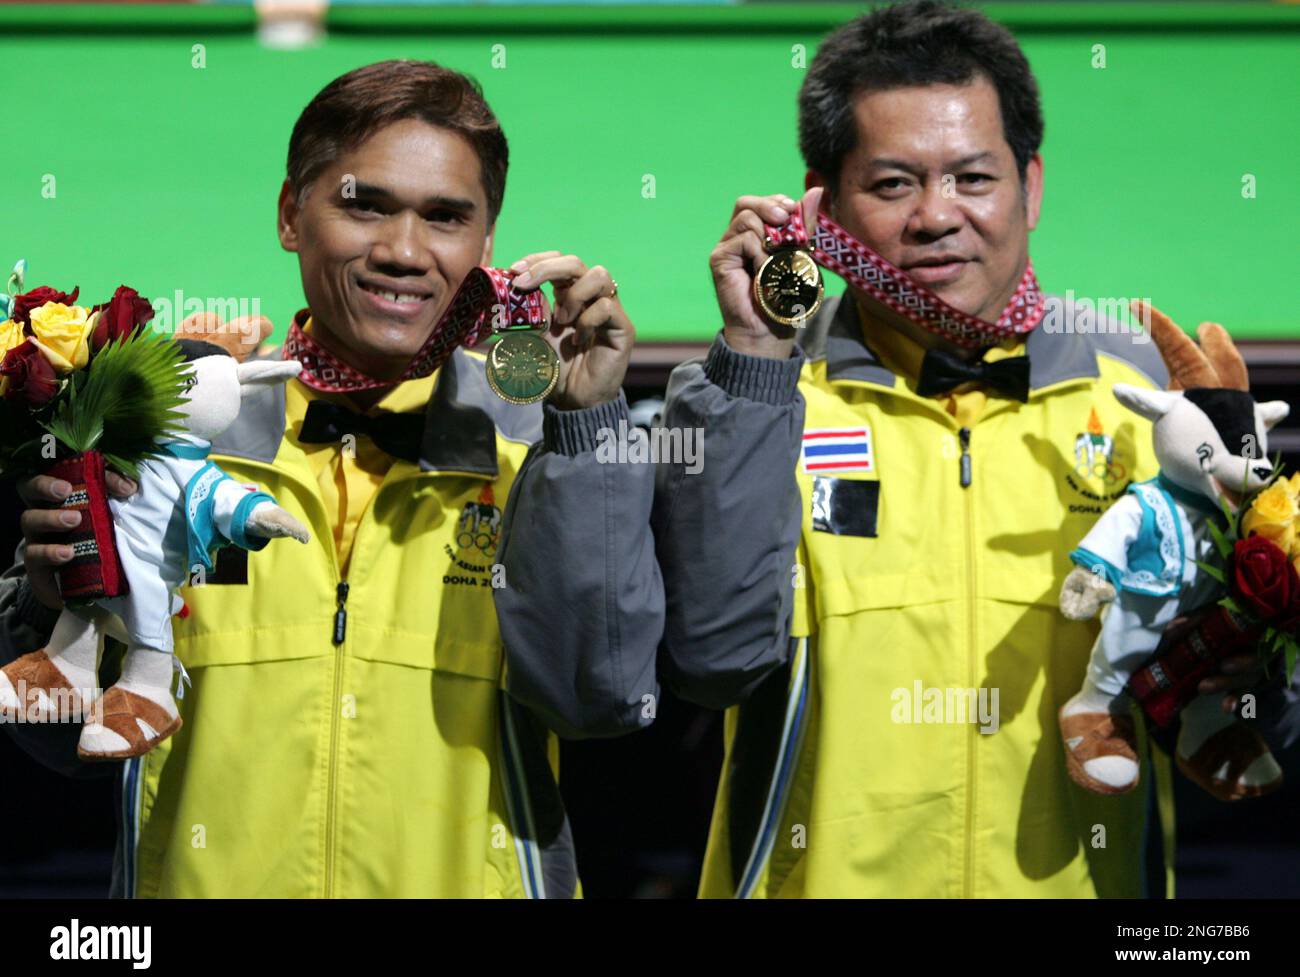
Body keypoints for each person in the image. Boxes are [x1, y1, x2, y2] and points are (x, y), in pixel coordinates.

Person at [653, 0, 1282, 898]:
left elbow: (1262, 706)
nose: (936, 218)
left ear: (1031, 187)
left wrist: (1248, 659)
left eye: (973, 178)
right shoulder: (752, 394)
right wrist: (756, 358)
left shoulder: (1147, 398)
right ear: (821, 208)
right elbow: (712, 660)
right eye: (893, 183)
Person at [0, 59, 661, 897]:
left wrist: (587, 428)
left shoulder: (538, 445)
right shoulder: (167, 435)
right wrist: (50, 604)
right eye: (365, 204)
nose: (403, 251)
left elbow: (599, 700)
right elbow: (58, 738)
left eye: (446, 217)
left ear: (487, 246)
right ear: (289, 214)